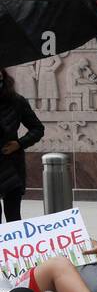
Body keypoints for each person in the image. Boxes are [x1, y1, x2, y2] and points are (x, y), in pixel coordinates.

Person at [0, 67, 45, 222]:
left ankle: (14, 247)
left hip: (11, 165)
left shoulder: (16, 101)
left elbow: (37, 128)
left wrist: (19, 143)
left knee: (13, 218)